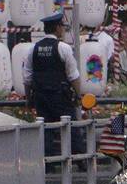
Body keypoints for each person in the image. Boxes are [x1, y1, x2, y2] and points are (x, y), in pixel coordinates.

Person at [23, 11, 84, 158]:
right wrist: (78, 95)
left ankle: (48, 163)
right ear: (57, 28)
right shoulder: (63, 48)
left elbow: (27, 78)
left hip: (41, 97)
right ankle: (79, 160)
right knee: (70, 128)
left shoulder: (33, 49)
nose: (63, 29)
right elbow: (73, 76)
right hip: (60, 96)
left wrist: (28, 99)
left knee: (45, 130)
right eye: (62, 26)